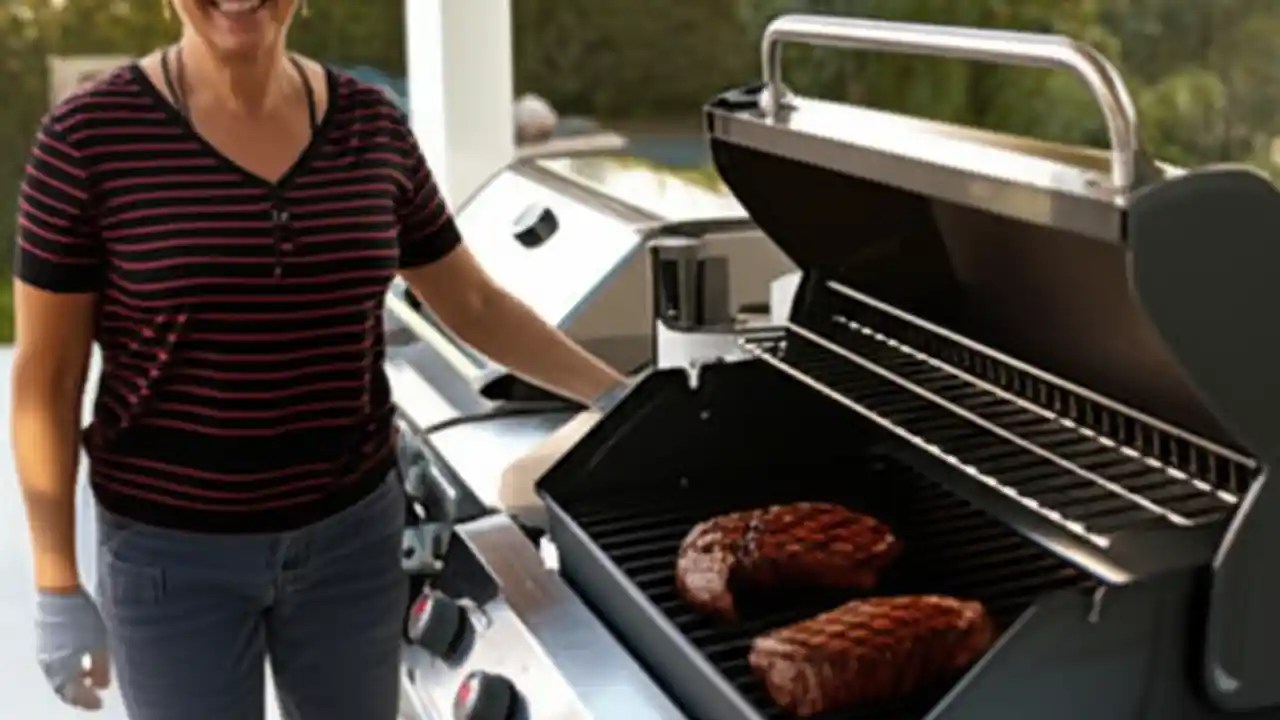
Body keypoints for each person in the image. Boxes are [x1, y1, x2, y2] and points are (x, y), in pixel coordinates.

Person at [10, 1, 628, 718]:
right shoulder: (88, 138)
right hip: (173, 558)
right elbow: (47, 378)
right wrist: (55, 581)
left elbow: (472, 303)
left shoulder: (372, 124)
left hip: (351, 542)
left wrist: (622, 398)